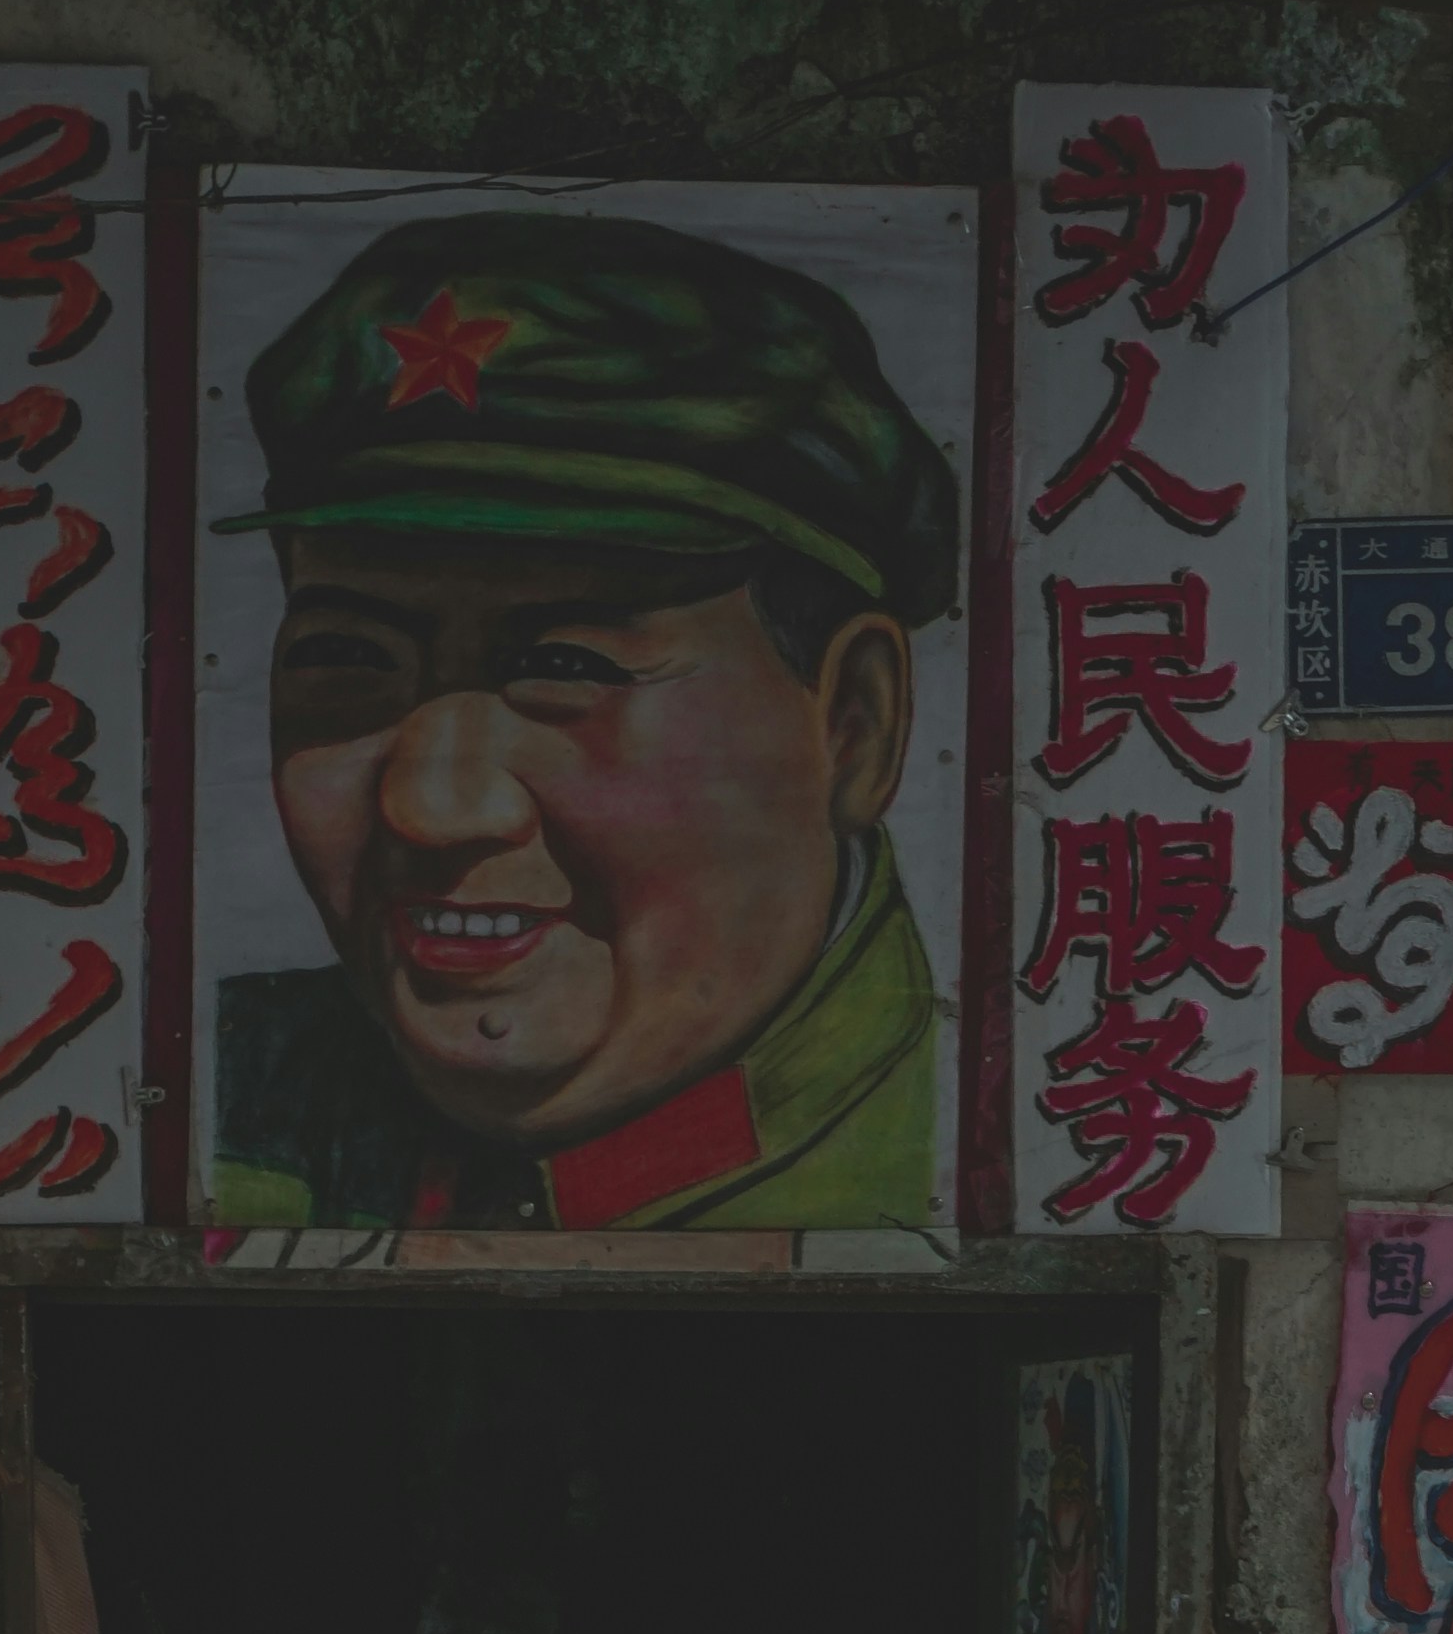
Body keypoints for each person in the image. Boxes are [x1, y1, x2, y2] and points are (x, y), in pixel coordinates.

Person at [211, 211, 962, 1233]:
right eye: (347, 659)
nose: (431, 805)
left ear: (852, 726)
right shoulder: (214, 1101)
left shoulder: (974, 1143)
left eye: (565, 667)